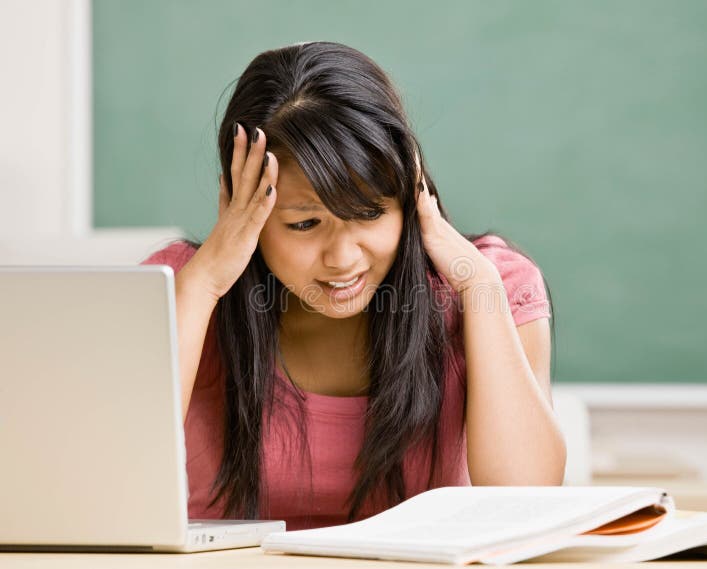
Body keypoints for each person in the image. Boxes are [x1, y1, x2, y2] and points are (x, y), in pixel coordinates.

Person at [141, 41, 565, 530]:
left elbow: (526, 499)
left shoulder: (493, 285)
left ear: (411, 190)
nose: (342, 259)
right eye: (304, 224)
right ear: (243, 206)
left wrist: (478, 288)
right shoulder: (180, 290)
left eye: (368, 213)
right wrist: (204, 286)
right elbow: (112, 482)